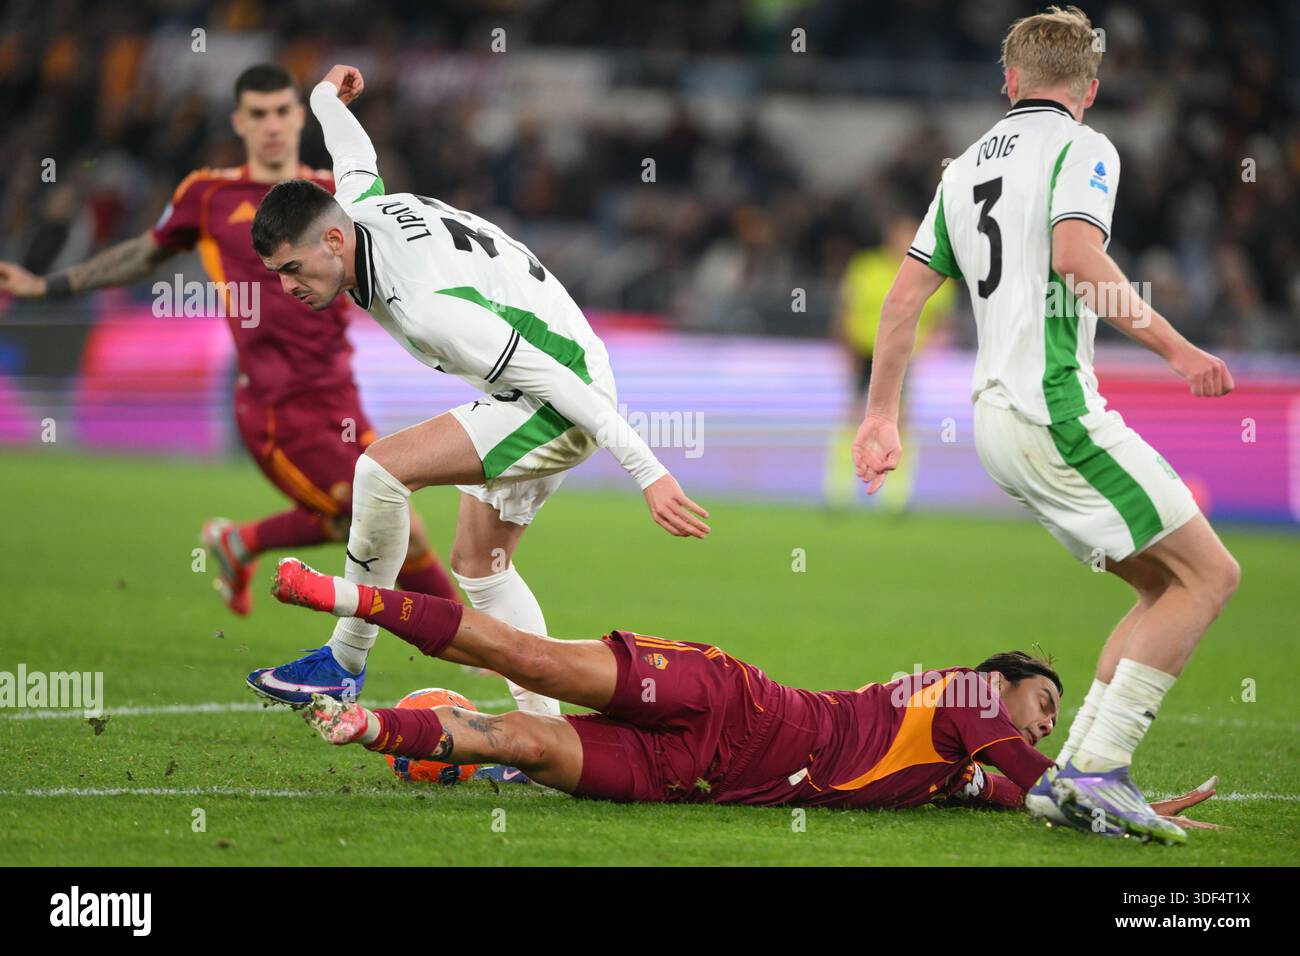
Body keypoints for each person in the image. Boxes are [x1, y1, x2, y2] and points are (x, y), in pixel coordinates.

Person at [850, 6, 1239, 843]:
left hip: (996, 422)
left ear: (1010, 80)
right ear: (1090, 89)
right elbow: (1075, 255)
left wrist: (881, 415)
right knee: (1213, 577)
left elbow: (906, 296)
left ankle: (1078, 780)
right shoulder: (1084, 146)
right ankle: (1101, 772)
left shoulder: (960, 170)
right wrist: (1176, 347)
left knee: (1163, 585)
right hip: (1056, 409)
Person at [245, 66, 708, 716]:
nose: (289, 286)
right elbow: (353, 152)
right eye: (277, 274)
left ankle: (344, 660)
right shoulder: (357, 213)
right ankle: (545, 733)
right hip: (547, 376)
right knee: (481, 568)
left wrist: (648, 470)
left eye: (293, 269)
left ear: (331, 240)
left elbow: (552, 380)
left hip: (557, 395)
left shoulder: (429, 304)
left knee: (378, 471)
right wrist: (325, 97)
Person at [271, 558, 1217, 833]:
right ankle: (347, 598)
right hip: (736, 702)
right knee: (537, 661)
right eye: (1042, 700)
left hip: (696, 778)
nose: (1045, 719)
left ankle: (368, 723)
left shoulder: (972, 765)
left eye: (1053, 715)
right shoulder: (969, 698)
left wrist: (1119, 805)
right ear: (1002, 682)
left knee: (522, 743)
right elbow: (1045, 784)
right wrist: (1105, 792)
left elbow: (1029, 799)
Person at [0, 63, 456, 618]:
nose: (272, 125)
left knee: (368, 517)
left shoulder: (336, 192)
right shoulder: (209, 194)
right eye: (258, 114)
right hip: (274, 406)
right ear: (239, 121)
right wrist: (45, 285)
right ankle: (480, 647)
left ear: (299, 115)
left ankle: (240, 542)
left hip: (340, 393)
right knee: (393, 523)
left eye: (283, 111)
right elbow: (143, 253)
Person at [825, 211, 954, 511]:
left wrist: (927, 345)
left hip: (902, 358)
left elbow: (941, 319)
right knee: (854, 416)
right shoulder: (867, 267)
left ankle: (896, 497)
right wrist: (846, 345)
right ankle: (839, 490)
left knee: (901, 421)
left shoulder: (932, 272)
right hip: (864, 352)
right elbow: (846, 308)